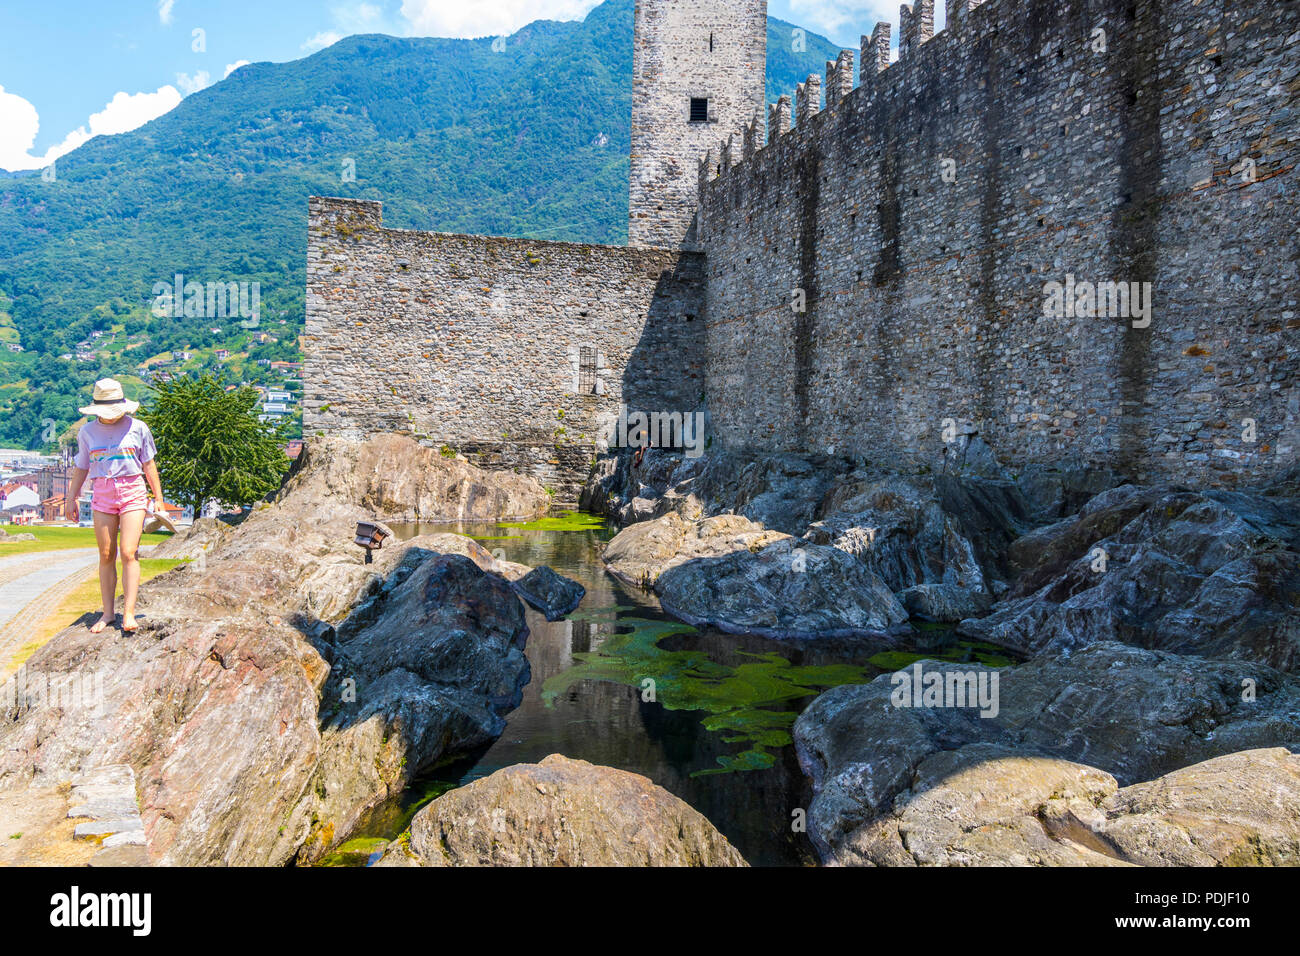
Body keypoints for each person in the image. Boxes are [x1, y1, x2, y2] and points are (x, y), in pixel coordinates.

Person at [67, 378, 164, 635]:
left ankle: (129, 612)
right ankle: (108, 613)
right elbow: (82, 467)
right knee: (106, 554)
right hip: (102, 493)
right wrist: (71, 497)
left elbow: (149, 466)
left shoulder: (138, 428)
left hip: (133, 491)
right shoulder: (87, 432)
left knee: (129, 551)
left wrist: (159, 499)